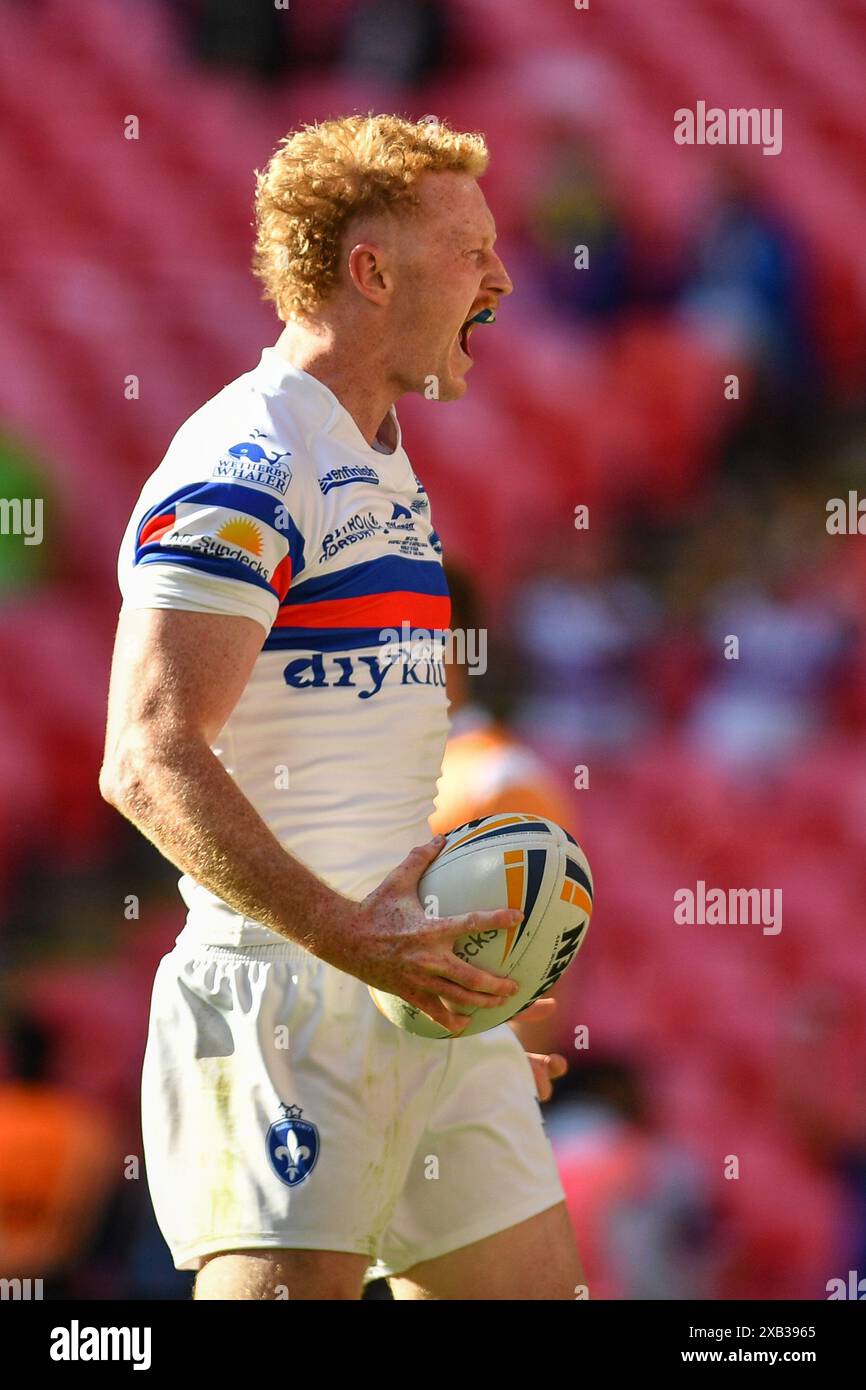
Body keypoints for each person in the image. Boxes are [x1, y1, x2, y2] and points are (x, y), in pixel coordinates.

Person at [100, 115, 585, 1300]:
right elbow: (146, 756)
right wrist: (346, 939)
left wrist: (455, 987)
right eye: (469, 248)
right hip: (282, 996)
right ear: (370, 272)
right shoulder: (248, 460)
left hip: (413, 1000)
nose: (502, 275)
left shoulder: (380, 453)